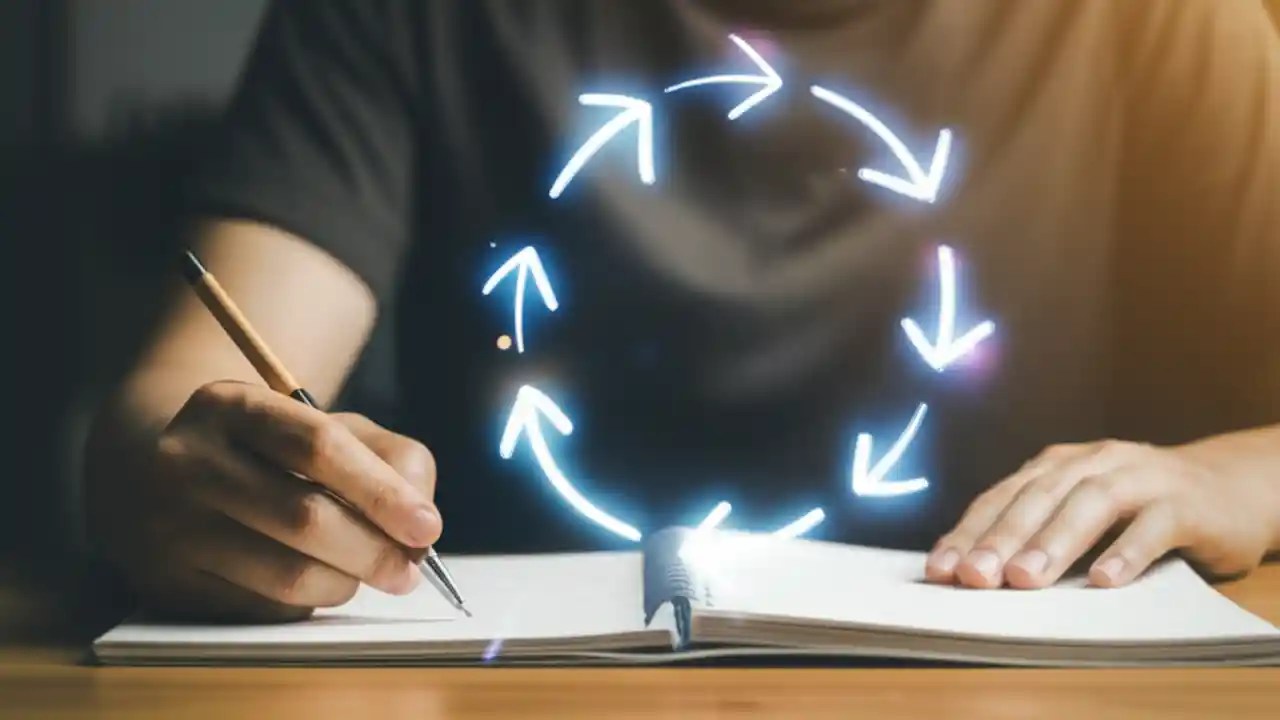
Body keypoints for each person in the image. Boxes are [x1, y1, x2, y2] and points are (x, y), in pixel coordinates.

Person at [85, 0, 1279, 622]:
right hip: (513, 689)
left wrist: (1229, 478)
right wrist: (174, 477)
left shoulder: (1156, 18)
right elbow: (187, 402)